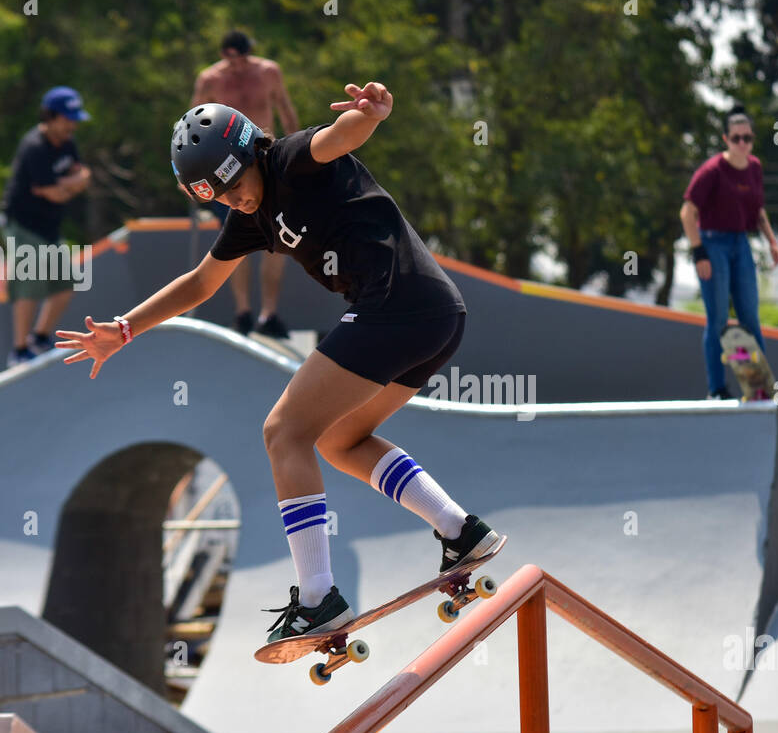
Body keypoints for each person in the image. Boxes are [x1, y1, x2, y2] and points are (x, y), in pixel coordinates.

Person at [56, 84, 500, 642]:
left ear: (251, 153)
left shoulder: (289, 159)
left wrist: (372, 115)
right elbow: (200, 283)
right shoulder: (250, 218)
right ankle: (460, 530)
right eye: (218, 197)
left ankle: (318, 598)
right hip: (435, 315)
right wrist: (124, 330)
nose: (235, 201)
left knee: (284, 432)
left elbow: (340, 137)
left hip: (396, 307)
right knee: (339, 442)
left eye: (236, 185)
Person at [192, 30, 299, 338]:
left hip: (266, 161)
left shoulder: (268, 72)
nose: (236, 66)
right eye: (230, 60)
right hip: (226, 168)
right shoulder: (210, 79)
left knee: (276, 239)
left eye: (240, 59)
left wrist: (294, 154)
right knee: (235, 238)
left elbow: (286, 112)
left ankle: (269, 312)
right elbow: (192, 122)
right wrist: (186, 175)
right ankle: (243, 312)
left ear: (249, 53)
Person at [679, 109, 778, 399]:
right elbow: (687, 212)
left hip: (740, 243)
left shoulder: (754, 168)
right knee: (719, 320)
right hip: (713, 244)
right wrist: (699, 252)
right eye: (736, 138)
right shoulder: (712, 171)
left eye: (747, 138)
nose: (742, 144)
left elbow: (758, 210)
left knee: (750, 317)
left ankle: (758, 385)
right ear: (726, 139)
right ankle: (717, 389)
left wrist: (772, 242)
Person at [0, 86, 92, 367]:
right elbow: (55, 192)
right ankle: (18, 351)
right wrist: (68, 186)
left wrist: (65, 186)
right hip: (23, 223)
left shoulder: (67, 143)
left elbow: (83, 176)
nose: (72, 125)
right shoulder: (34, 147)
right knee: (31, 282)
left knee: (66, 283)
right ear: (50, 117)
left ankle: (40, 337)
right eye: (67, 119)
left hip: (49, 225)